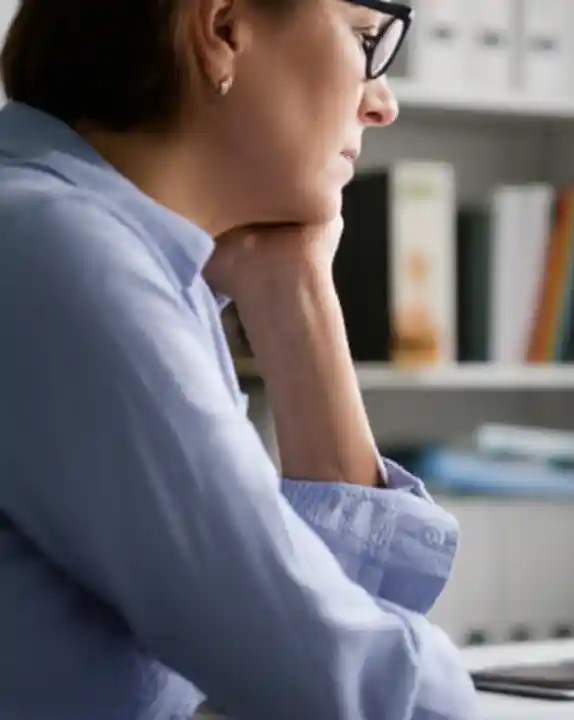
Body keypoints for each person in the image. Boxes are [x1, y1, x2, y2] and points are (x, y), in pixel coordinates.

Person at [0, 0, 481, 717]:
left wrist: (296, 300)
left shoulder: (125, 257)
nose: (383, 104)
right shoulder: (57, 254)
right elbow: (321, 677)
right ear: (222, 29)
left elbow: (326, 639)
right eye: (364, 38)